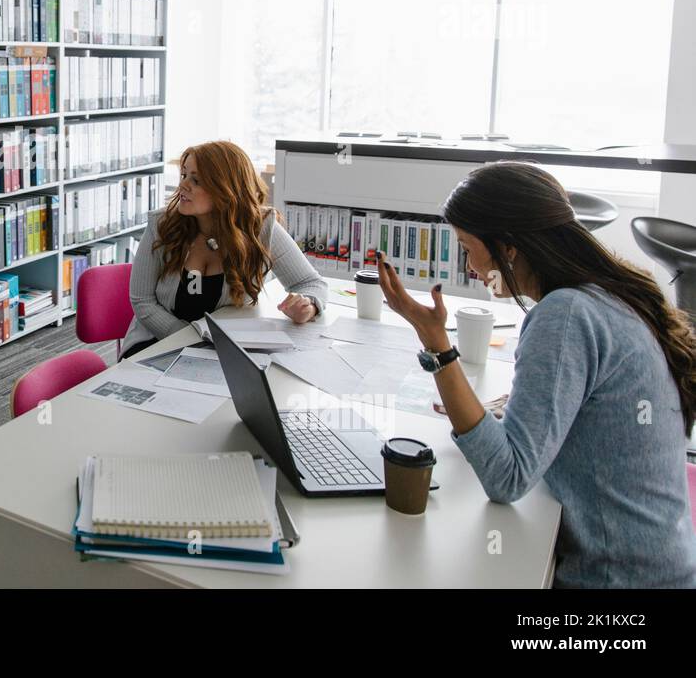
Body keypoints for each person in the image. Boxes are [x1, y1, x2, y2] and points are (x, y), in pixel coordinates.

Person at [375, 160, 696, 588]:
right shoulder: (609, 294)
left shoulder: (563, 315)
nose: (468, 265)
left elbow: (507, 478)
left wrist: (435, 341)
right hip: (660, 565)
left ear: (508, 248)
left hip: (615, 579)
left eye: (468, 247)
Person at [122, 140, 326, 359]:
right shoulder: (161, 225)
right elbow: (142, 301)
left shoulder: (260, 228)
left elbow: (311, 283)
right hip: (158, 342)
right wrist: (188, 339)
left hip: (222, 348)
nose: (183, 185)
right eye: (184, 175)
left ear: (226, 189)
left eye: (196, 180)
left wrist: (308, 305)